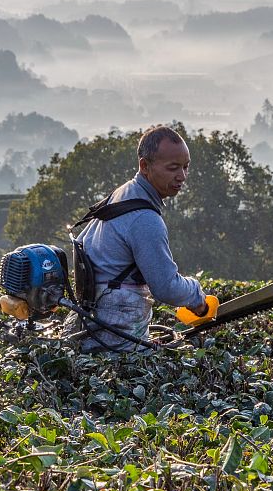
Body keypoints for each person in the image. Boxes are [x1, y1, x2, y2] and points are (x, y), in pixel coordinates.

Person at [70, 125, 211, 352]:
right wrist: (198, 297)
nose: (182, 176)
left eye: (186, 167)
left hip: (94, 323)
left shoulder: (122, 194)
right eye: (173, 168)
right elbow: (166, 287)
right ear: (144, 166)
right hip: (114, 337)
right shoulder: (145, 219)